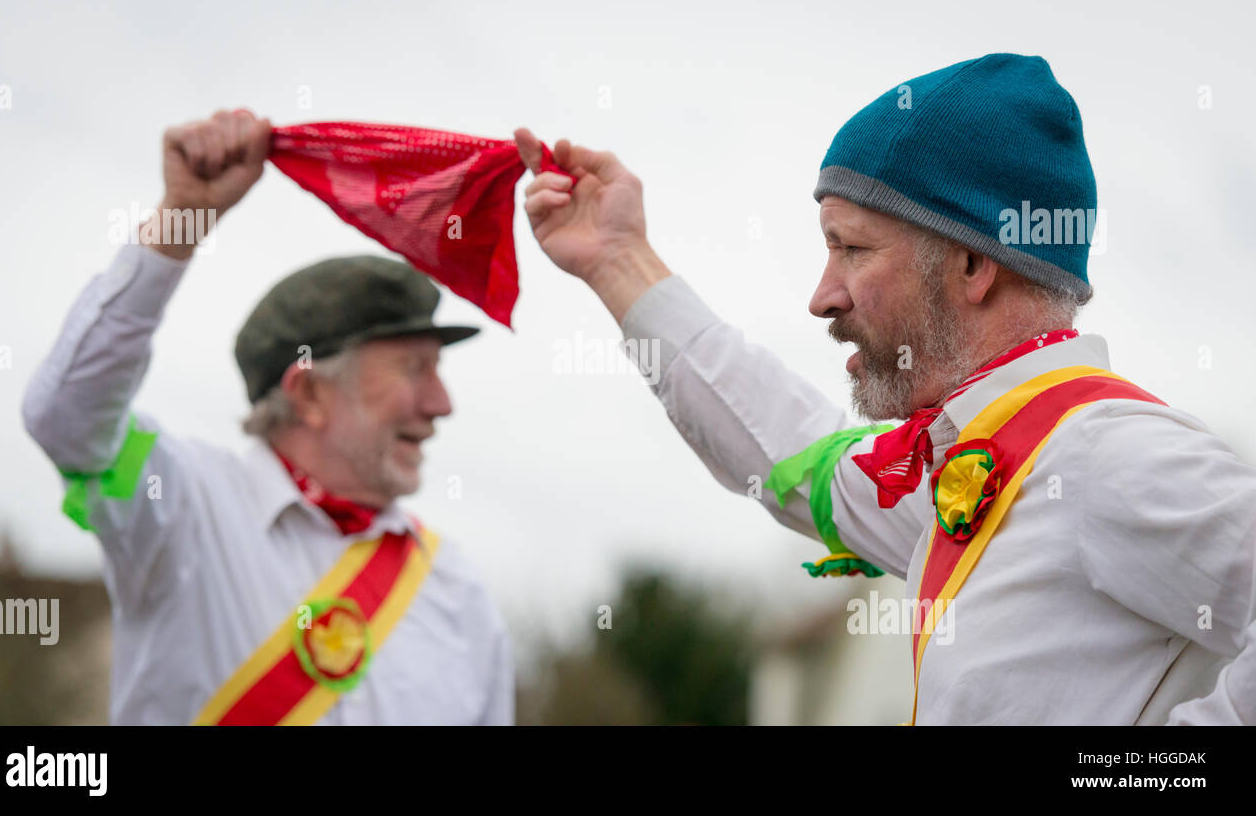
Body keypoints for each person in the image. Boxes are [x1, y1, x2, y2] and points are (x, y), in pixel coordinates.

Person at [513, 53, 1256, 725]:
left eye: (852, 248)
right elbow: (787, 449)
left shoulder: (1103, 451)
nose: (822, 295)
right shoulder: (972, 467)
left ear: (972, 263)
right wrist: (618, 260)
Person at [23, 109, 512, 725]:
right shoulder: (180, 503)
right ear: (308, 394)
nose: (443, 404)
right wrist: (183, 217)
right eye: (415, 369)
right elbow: (65, 417)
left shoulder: (456, 588)